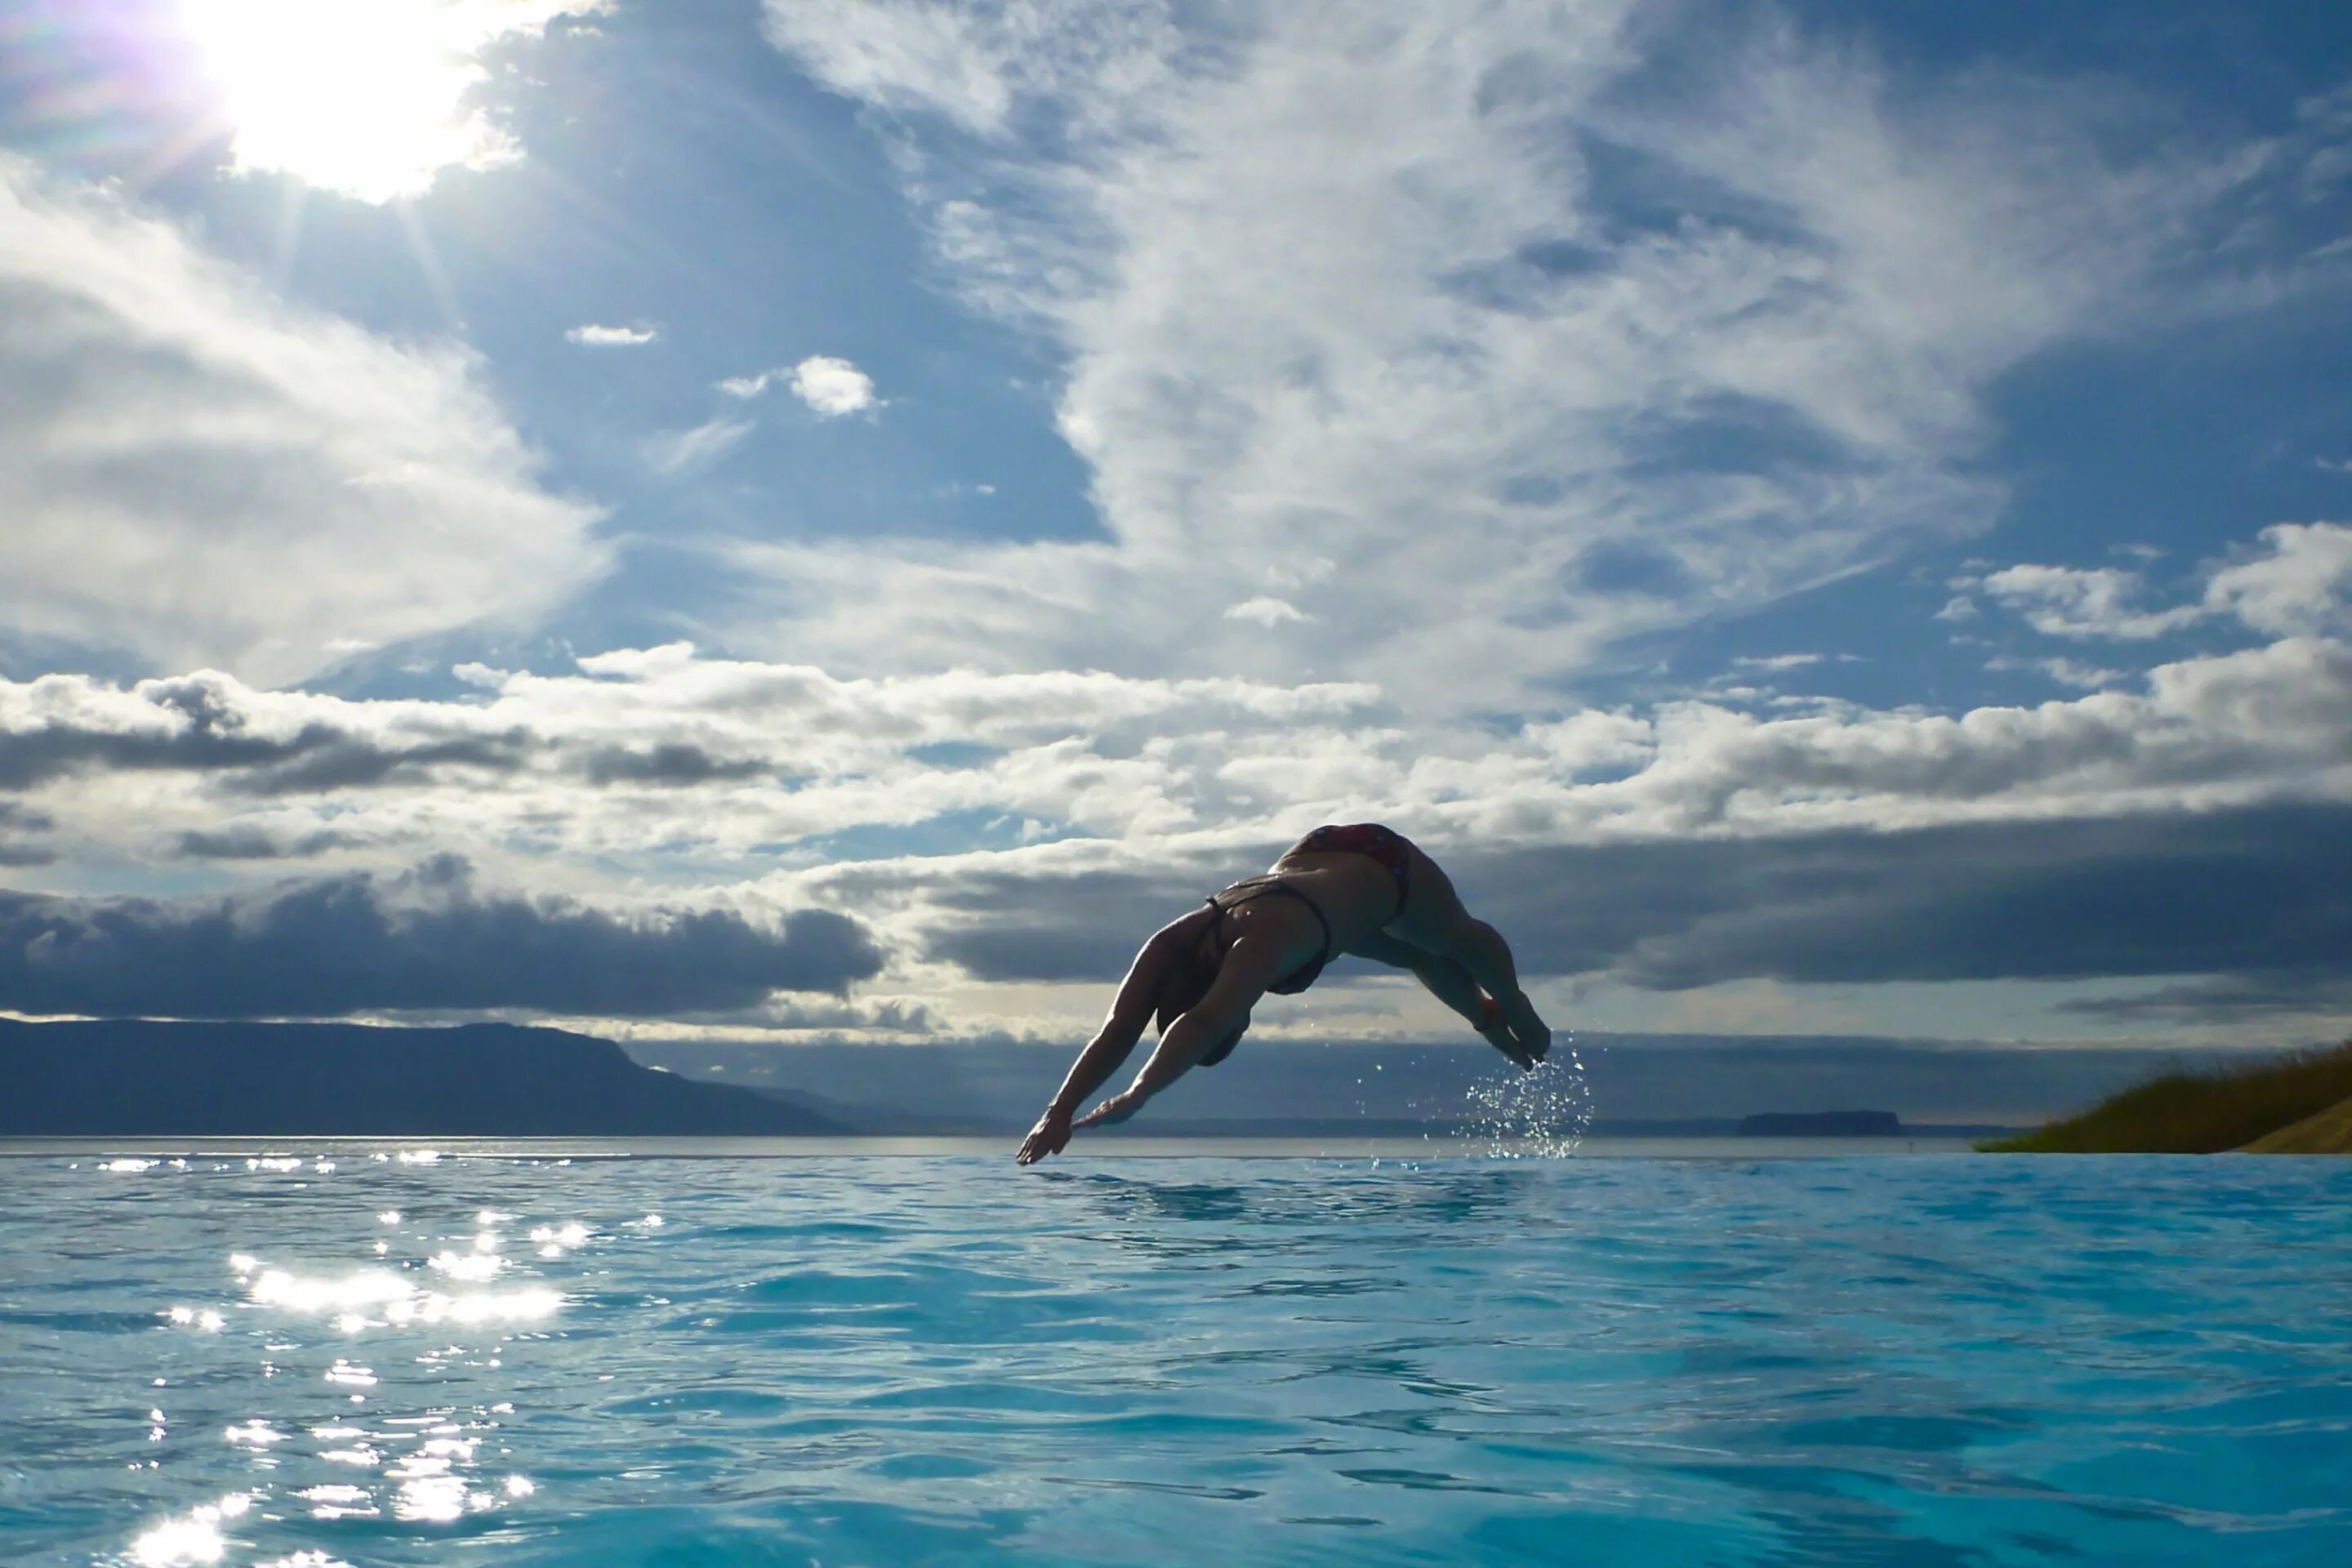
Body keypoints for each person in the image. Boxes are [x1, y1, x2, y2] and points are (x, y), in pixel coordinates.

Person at [1015, 822, 1551, 1165]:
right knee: (1413, 954)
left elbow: (1201, 1025)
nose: (1243, 1016)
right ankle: (1485, 1017)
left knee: (1451, 938)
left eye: (1239, 1020)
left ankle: (1514, 1006)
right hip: (1316, 862)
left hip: (1389, 869)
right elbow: (1119, 1029)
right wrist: (1057, 1111)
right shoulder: (1180, 939)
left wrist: (1138, 1094)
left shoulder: (1261, 948)